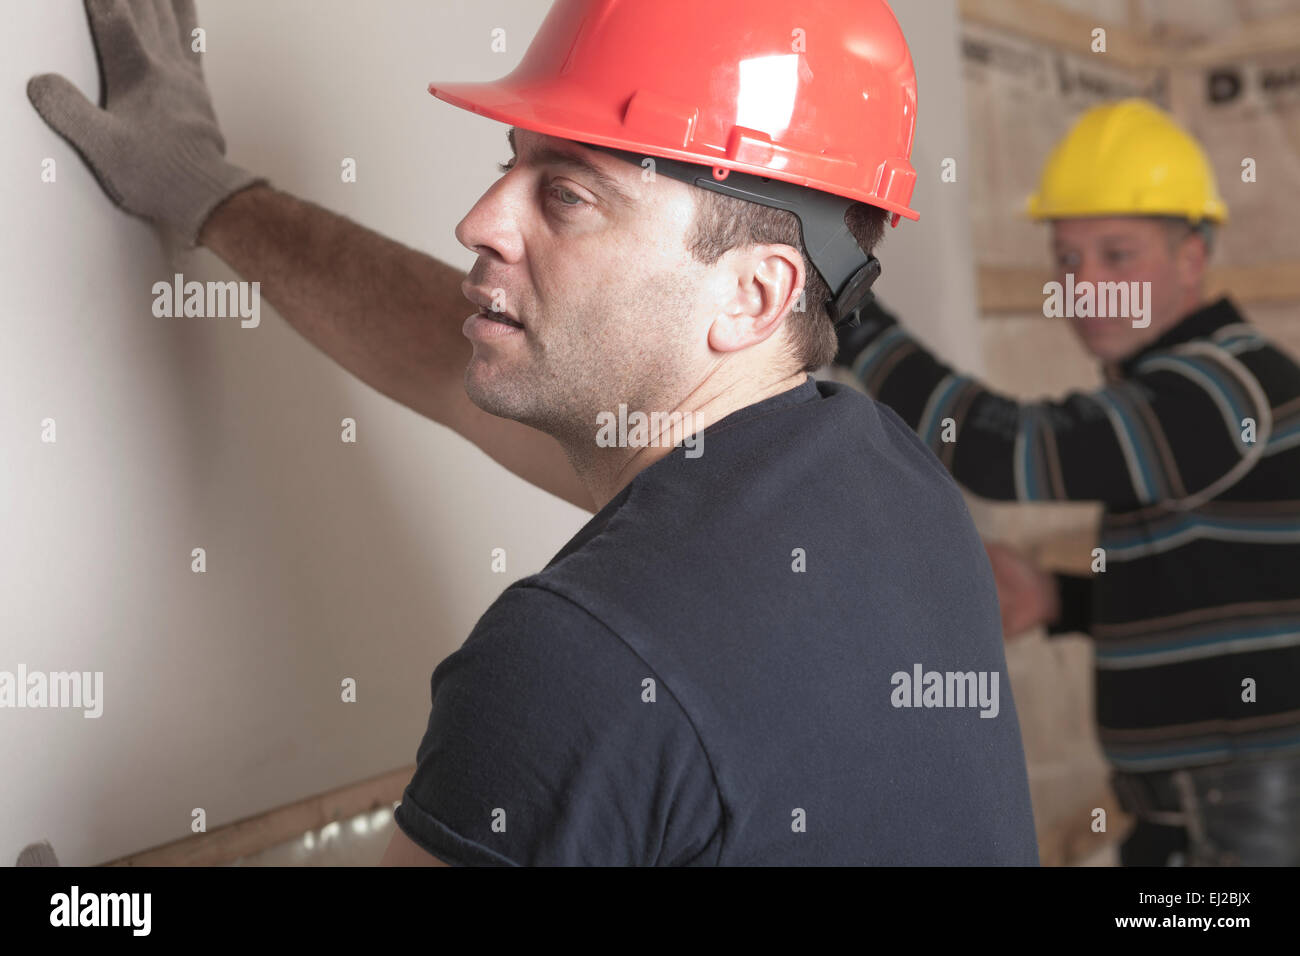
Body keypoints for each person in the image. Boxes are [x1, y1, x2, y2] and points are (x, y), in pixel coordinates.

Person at [28, 0, 1038, 865]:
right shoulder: (892, 486)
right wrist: (212, 194)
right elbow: (443, 352)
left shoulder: (576, 661)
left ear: (751, 293)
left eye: (567, 193)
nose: (478, 219)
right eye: (512, 165)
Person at [834, 99, 1300, 866]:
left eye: (1118, 255)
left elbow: (999, 447)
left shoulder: (1217, 393)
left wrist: (843, 295)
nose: (1087, 286)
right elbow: (1226, 579)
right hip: (1192, 828)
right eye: (1069, 260)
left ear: (1192, 257)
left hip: (1246, 834)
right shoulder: (1193, 388)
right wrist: (1062, 599)